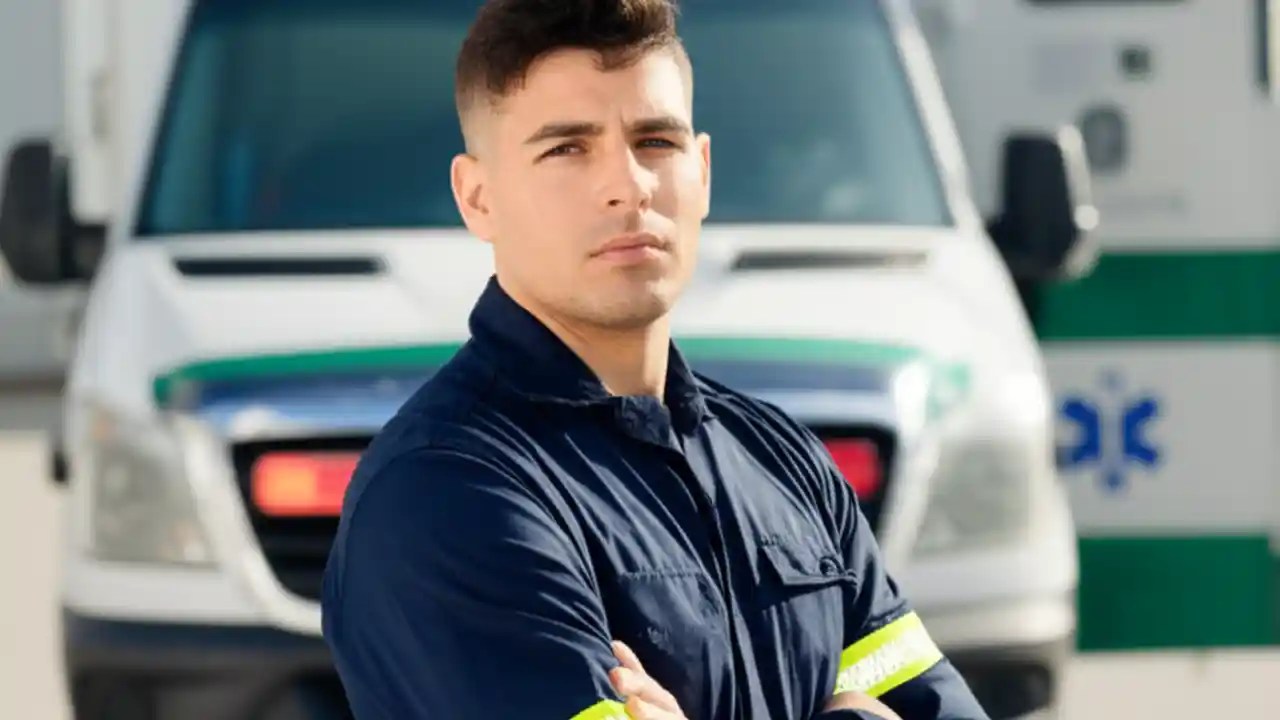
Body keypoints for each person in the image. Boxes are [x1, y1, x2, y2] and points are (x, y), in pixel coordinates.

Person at [321, 0, 989, 718]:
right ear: (477, 197)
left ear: (701, 170)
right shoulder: (445, 494)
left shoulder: (781, 461)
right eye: (567, 149)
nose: (629, 184)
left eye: (655, 141)